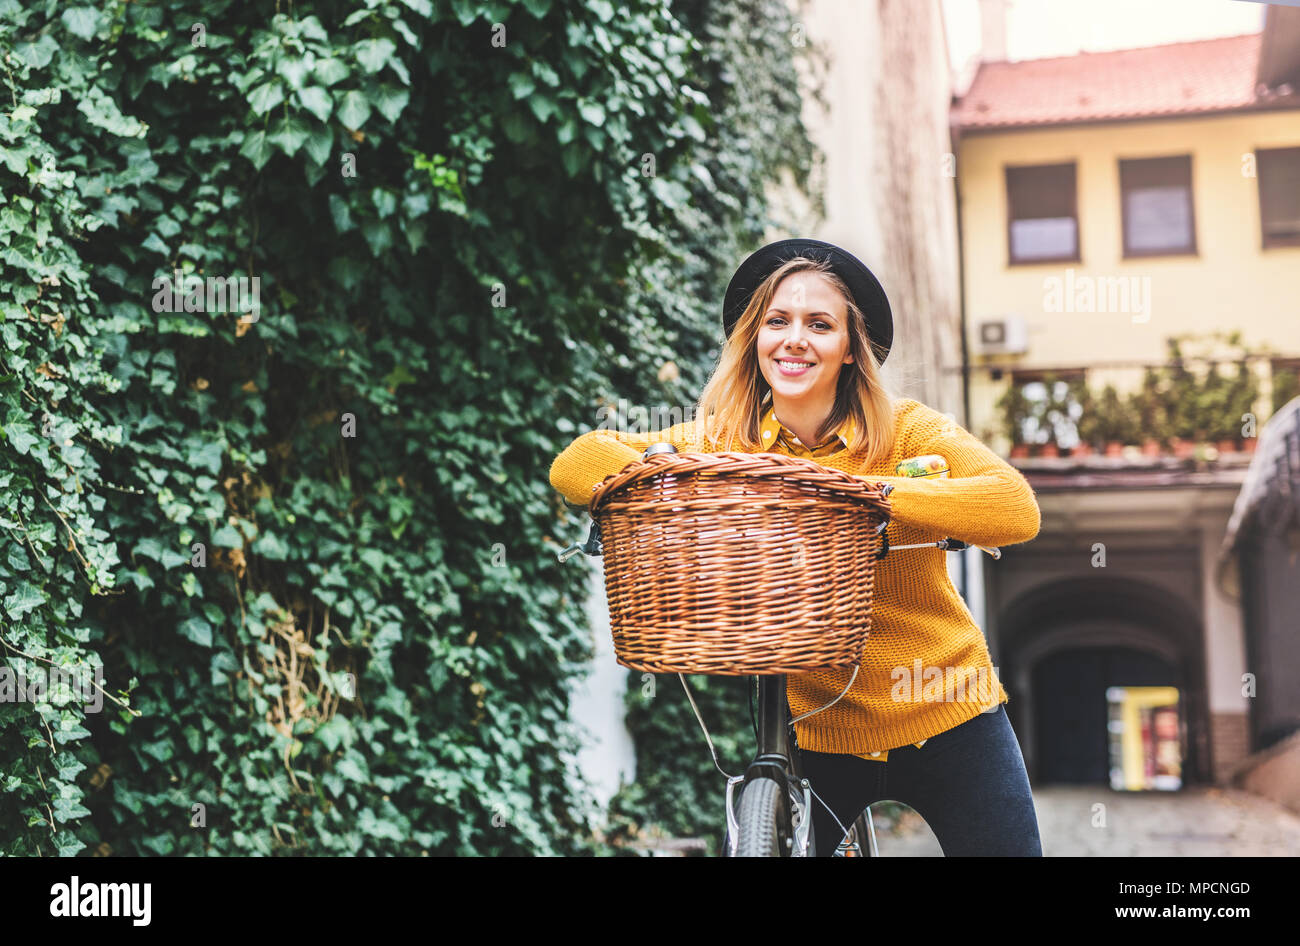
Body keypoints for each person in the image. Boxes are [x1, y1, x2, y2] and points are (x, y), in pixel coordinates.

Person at [548, 238, 1043, 856]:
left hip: (946, 705)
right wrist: (656, 467)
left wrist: (861, 494)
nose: (795, 339)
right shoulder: (730, 444)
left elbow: (1014, 507)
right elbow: (579, 460)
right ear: (755, 340)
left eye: (819, 324)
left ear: (848, 350)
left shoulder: (909, 429)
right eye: (777, 321)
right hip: (818, 725)